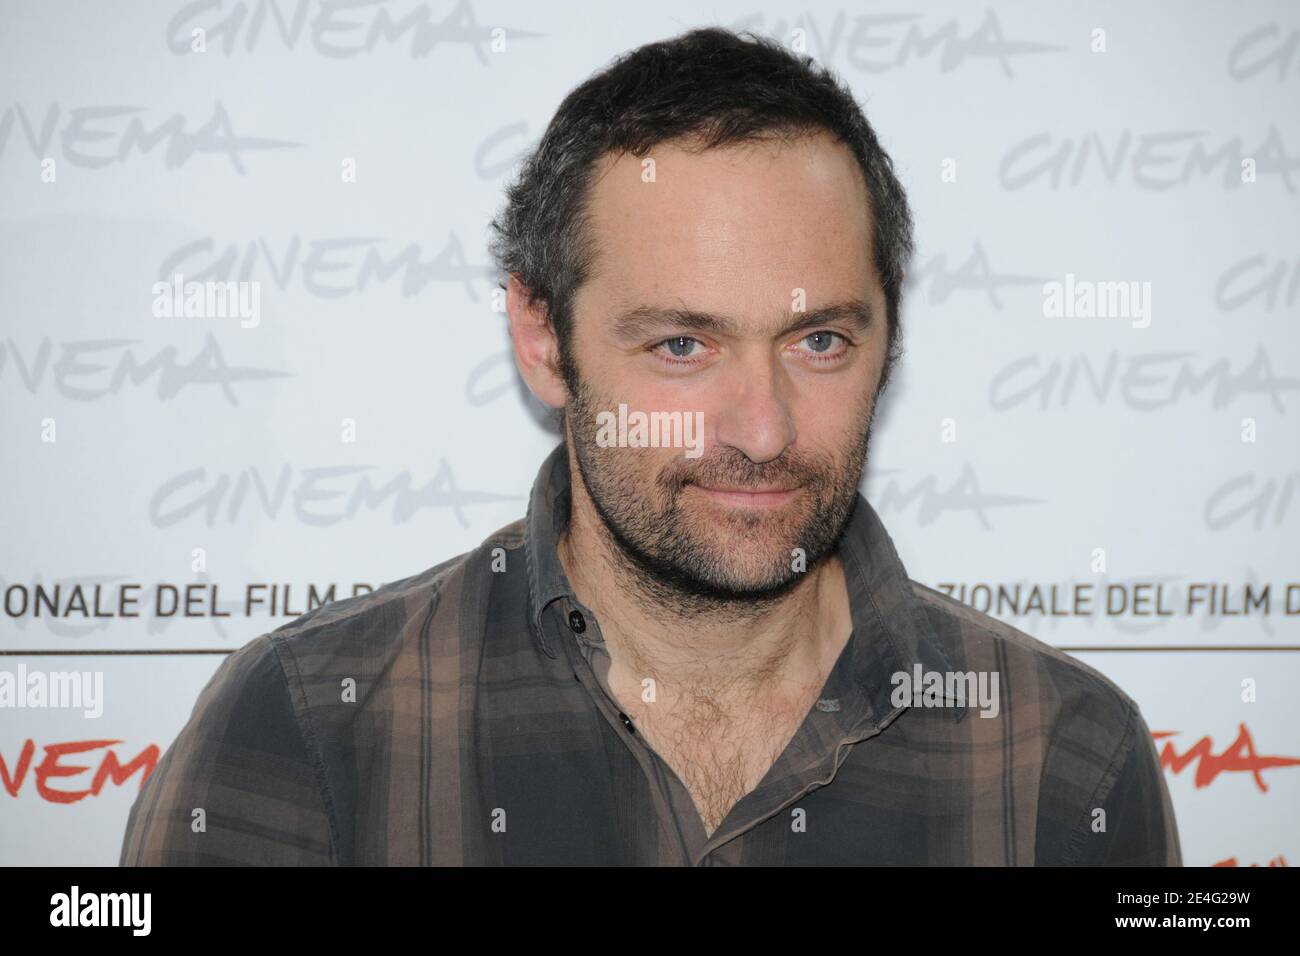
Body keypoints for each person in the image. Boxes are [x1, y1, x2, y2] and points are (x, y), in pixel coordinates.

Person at [120, 26, 1181, 866]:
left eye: (818, 340)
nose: (760, 431)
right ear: (543, 340)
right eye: (682, 344)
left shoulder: (1060, 753)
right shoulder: (310, 727)